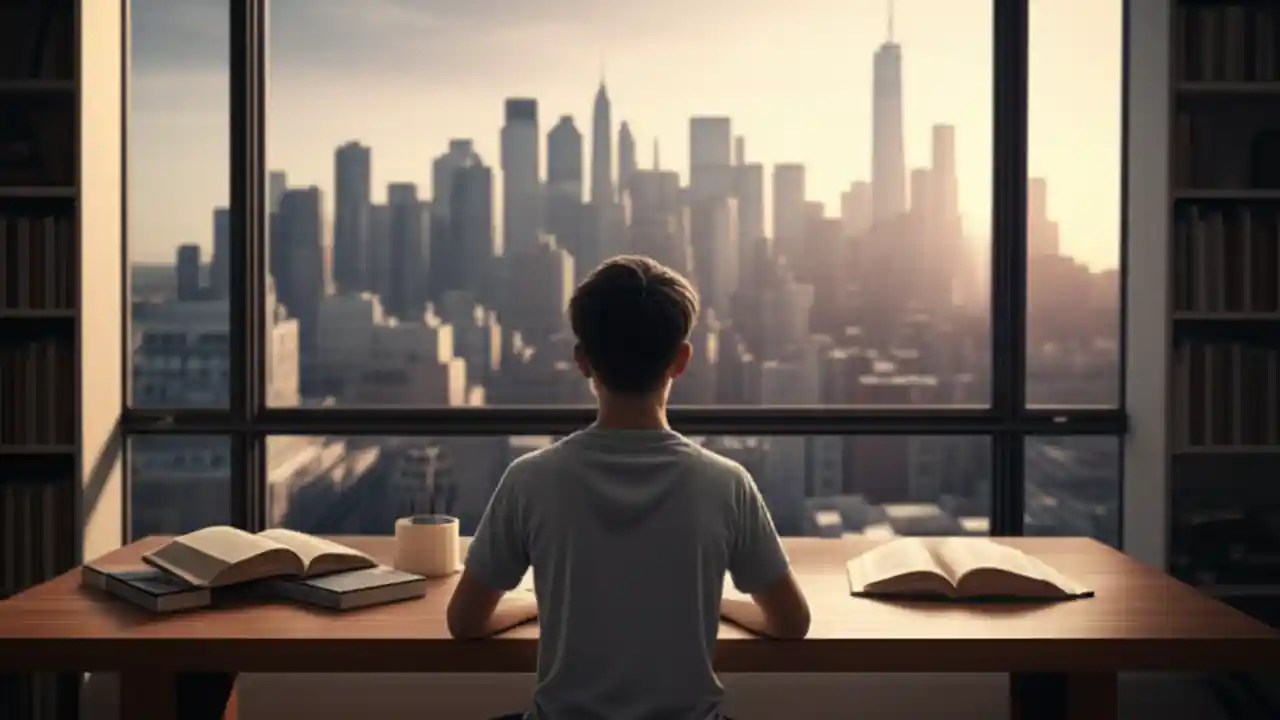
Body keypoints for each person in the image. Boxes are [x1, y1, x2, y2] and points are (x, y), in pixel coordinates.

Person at [447, 255, 811, 720]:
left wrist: (537, 605)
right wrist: (716, 602)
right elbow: (791, 622)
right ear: (681, 360)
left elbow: (465, 622)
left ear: (583, 361)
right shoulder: (726, 484)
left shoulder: (530, 479)